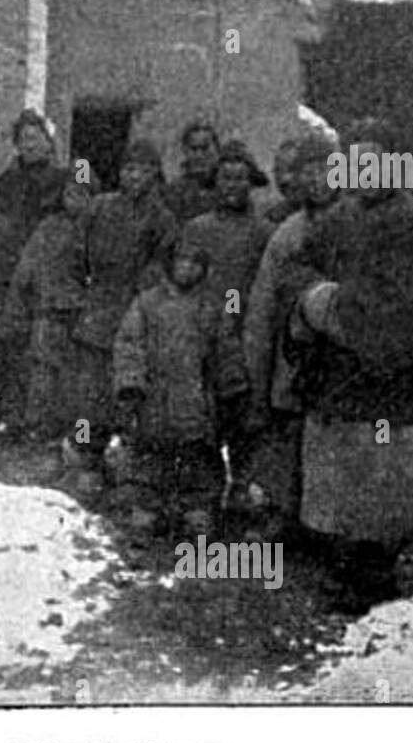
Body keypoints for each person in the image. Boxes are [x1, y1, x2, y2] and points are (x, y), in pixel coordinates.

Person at [284, 119, 413, 587]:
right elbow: (299, 268)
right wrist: (309, 298)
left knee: (387, 493)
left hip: (398, 382)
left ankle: (381, 567)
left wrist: (333, 307)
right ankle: (348, 560)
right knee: (345, 494)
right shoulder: (337, 219)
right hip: (342, 379)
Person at [242, 131, 341, 523]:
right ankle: (285, 515)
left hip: (339, 360)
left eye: (324, 170)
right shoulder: (287, 234)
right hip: (292, 357)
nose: (315, 181)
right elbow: (262, 307)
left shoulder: (359, 224)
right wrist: (257, 368)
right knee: (286, 439)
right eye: (307, 173)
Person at [67, 140, 179, 475]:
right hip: (97, 311)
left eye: (143, 170)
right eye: (129, 168)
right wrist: (85, 289)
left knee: (129, 394)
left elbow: (163, 266)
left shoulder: (162, 218)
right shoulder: (99, 208)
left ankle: (128, 461)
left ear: (154, 174)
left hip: (135, 316)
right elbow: (76, 253)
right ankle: (85, 453)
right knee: (89, 394)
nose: (134, 177)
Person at [0, 109, 69, 425]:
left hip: (38, 283)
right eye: (23, 139)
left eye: (36, 138)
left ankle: (21, 416)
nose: (30, 145)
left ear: (50, 142)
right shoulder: (4, 183)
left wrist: (82, 168)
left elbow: (85, 199)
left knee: (27, 349)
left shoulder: (63, 180)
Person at [180, 139, 274, 509]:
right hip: (204, 335)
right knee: (204, 418)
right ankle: (203, 496)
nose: (232, 185)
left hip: (247, 339)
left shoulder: (264, 232)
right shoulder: (197, 229)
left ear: (250, 182)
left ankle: (242, 490)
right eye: (224, 178)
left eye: (239, 178)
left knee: (244, 421)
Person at [113, 245, 227, 540]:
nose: (187, 268)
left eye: (195, 263)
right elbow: (129, 344)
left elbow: (225, 349)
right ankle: (147, 508)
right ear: (170, 265)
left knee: (198, 457)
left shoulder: (211, 306)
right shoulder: (147, 303)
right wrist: (131, 382)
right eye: (182, 261)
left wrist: (231, 385)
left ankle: (197, 510)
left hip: (196, 397)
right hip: (156, 396)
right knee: (151, 455)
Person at [4, 175, 103, 452]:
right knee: (43, 372)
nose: (75, 201)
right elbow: (27, 266)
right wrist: (18, 301)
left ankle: (76, 434)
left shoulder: (99, 229)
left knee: (79, 377)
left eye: (83, 195)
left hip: (84, 314)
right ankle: (38, 427)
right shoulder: (48, 227)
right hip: (48, 310)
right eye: (70, 194)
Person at [164, 119, 220, 223]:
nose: (199, 155)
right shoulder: (176, 190)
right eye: (194, 149)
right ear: (185, 150)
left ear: (217, 150)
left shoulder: (228, 185)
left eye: (205, 148)